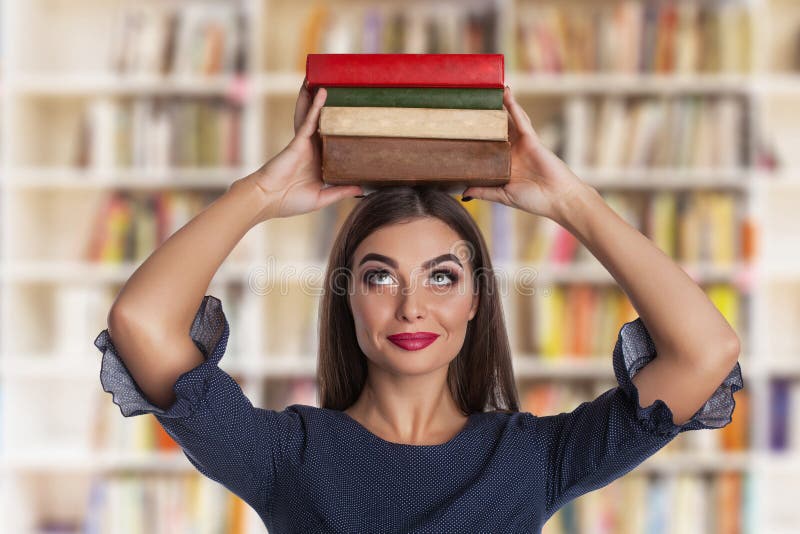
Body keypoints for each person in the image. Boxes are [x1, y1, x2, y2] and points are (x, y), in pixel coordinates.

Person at [94, 80, 744, 533]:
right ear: (347, 298)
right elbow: (142, 323)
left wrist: (570, 200)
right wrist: (262, 192)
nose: (412, 308)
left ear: (476, 302)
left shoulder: (533, 459)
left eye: (441, 278)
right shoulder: (285, 456)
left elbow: (704, 354)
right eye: (381, 278)